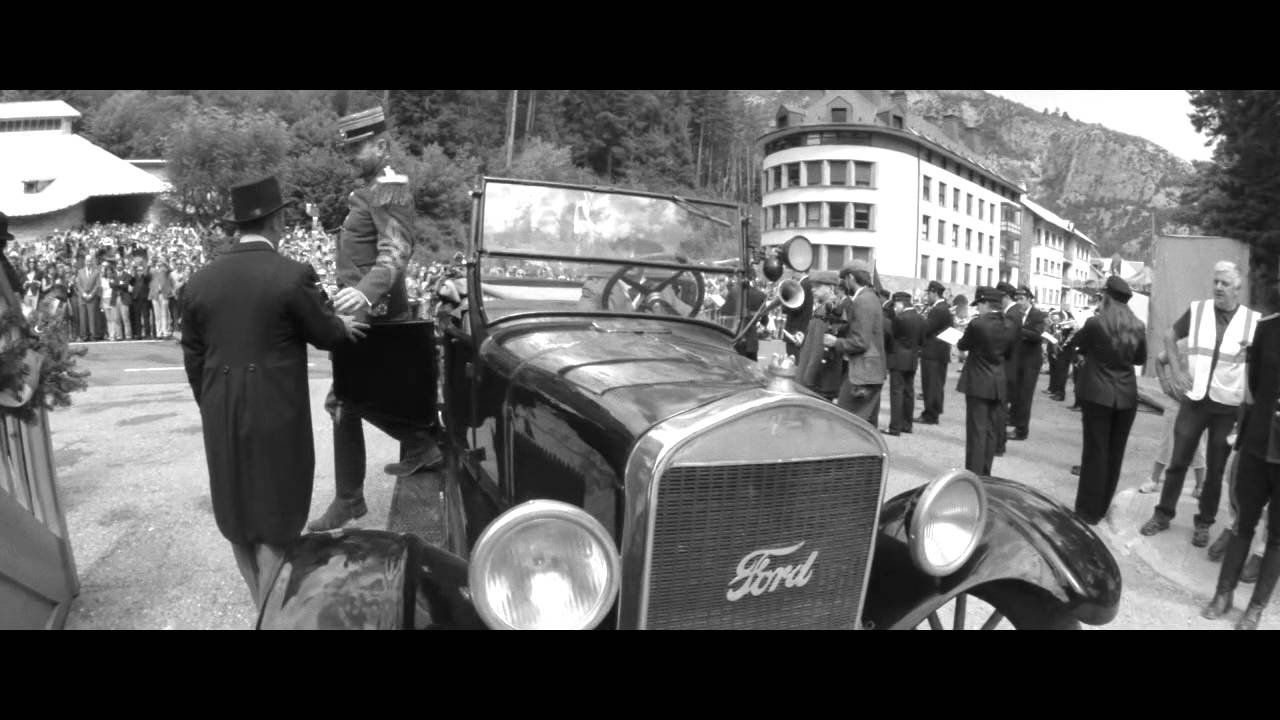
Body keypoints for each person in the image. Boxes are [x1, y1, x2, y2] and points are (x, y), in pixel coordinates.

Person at [180, 175, 366, 609]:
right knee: (275, 518)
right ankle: (271, 617)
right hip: (273, 411)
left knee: (239, 516)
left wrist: (210, 402)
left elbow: (193, 356)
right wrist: (344, 325)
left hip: (220, 407)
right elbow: (326, 334)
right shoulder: (291, 275)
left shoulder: (200, 281)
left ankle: (262, 607)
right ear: (278, 220)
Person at [309, 106, 442, 532]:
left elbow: (398, 251)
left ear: (382, 145)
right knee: (348, 401)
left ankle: (411, 451)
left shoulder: (389, 187)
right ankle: (411, 451)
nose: (350, 155)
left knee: (346, 401)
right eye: (348, 147)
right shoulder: (370, 189)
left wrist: (365, 293)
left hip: (375, 315)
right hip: (366, 312)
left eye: (357, 147)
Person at [1142, 261, 1262, 547]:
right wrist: (1177, 370)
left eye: (1224, 283)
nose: (1218, 287)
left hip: (1227, 406)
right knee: (1178, 460)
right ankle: (1163, 514)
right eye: (1215, 282)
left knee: (1216, 469)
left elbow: (1261, 366)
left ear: (1237, 288)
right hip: (1195, 401)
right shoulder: (1198, 311)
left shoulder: (1252, 321)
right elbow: (1170, 336)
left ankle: (1204, 522)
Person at [1200, 297, 1280, 629]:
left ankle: (1256, 608)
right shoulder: (1267, 328)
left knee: (1277, 535)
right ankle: (1223, 593)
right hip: (1258, 444)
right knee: (1242, 523)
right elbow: (1253, 390)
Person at [1066, 276, 1147, 525]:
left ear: (1106, 296)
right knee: (1115, 454)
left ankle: (1087, 512)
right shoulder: (1138, 325)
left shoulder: (1095, 322)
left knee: (1095, 453)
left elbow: (1075, 345)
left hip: (1097, 394)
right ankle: (1101, 508)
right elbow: (1139, 359)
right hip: (1126, 396)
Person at [956, 286, 1014, 476]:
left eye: (979, 305)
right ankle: (986, 472)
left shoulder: (978, 324)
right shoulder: (1010, 324)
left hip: (978, 381)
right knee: (990, 431)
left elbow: (963, 344)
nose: (977, 309)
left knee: (976, 432)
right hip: (998, 381)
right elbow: (1010, 354)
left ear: (985, 303)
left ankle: (973, 473)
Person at [1142, 342, 1206, 497]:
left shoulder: (1209, 345)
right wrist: (1165, 385)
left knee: (1197, 444)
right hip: (1175, 402)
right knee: (1166, 442)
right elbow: (1159, 360)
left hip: (1198, 403)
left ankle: (1200, 485)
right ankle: (1154, 479)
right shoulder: (1182, 344)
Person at [832, 260, 886, 427]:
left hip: (863, 373)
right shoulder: (871, 297)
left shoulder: (863, 300)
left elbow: (861, 342)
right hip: (869, 371)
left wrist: (836, 342)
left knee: (847, 423)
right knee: (864, 424)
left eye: (845, 280)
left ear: (850, 278)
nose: (844, 284)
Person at [793, 270, 845, 401]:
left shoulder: (829, 310)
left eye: (818, 286)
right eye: (812, 286)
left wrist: (808, 379)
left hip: (816, 380)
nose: (813, 290)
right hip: (816, 378)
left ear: (831, 288)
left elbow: (819, 349)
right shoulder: (823, 308)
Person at [884, 290, 926, 436]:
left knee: (896, 393)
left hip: (898, 359)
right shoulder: (920, 318)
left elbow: (892, 335)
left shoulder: (900, 318)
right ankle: (907, 425)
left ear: (900, 303)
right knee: (909, 392)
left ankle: (895, 426)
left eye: (896, 304)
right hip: (912, 358)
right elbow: (922, 340)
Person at [1008, 286, 1047, 441]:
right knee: (1015, 394)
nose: (1019, 302)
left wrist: (1018, 330)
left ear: (1030, 299)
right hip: (1017, 359)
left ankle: (1021, 430)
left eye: (1022, 299)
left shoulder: (1038, 314)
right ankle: (1014, 420)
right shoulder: (1016, 314)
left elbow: (1037, 335)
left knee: (1025, 396)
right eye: (1017, 299)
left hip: (1030, 361)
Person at [916, 280, 952, 425]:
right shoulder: (944, 307)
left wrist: (918, 319)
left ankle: (930, 414)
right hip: (939, 352)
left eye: (929, 294)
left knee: (931, 385)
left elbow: (927, 328)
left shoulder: (938, 310)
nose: (927, 297)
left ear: (934, 293)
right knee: (936, 384)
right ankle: (933, 411)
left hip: (933, 352)